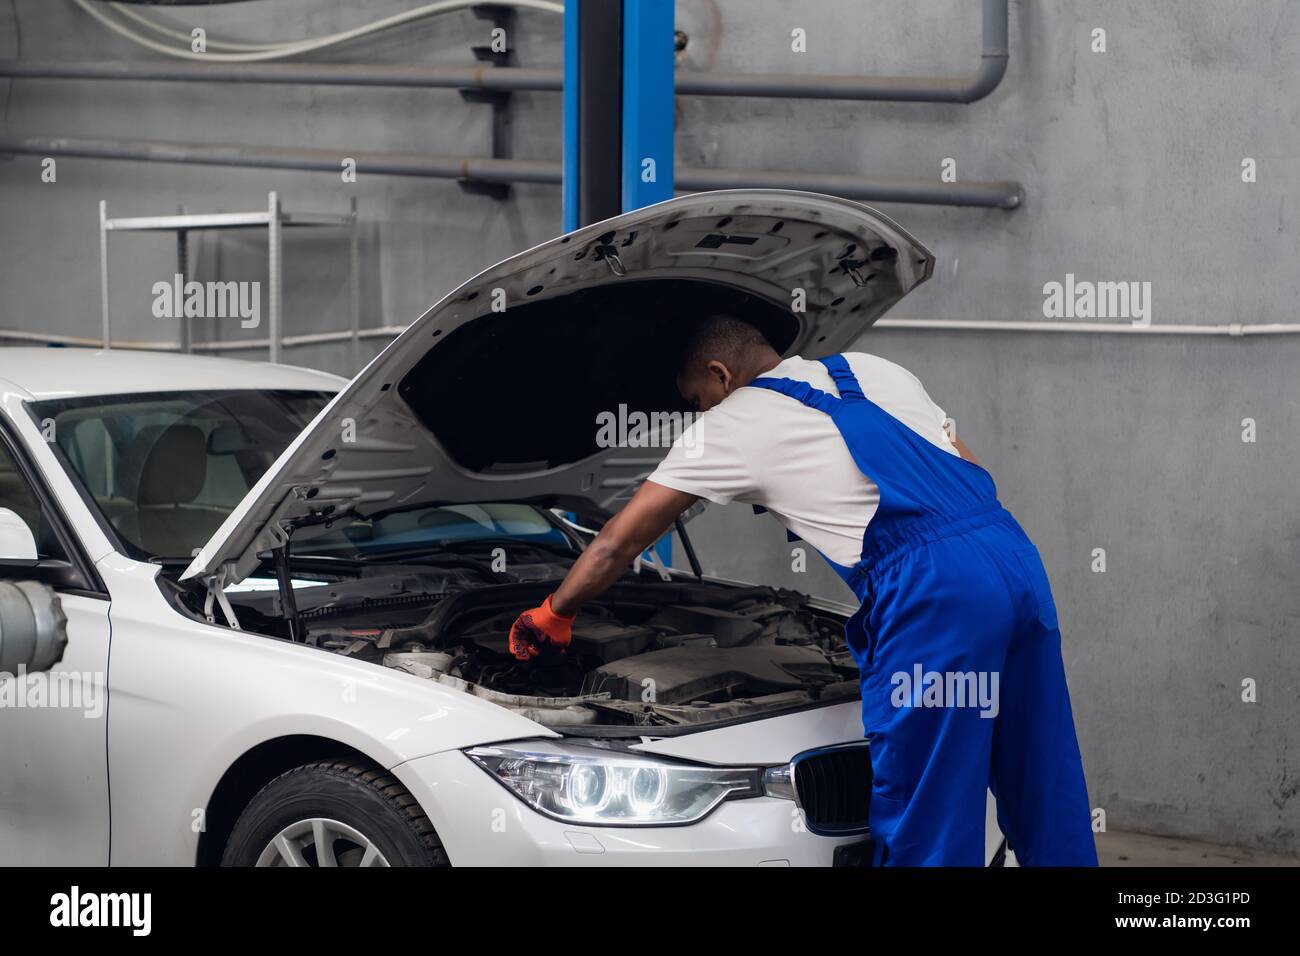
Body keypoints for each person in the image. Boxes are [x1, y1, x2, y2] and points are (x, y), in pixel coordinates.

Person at [508, 315, 1097, 866]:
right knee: (1041, 771)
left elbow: (617, 542)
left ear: (720, 376)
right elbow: (967, 467)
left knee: (929, 802)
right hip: (1011, 555)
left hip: (934, 591)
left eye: (695, 400)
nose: (699, 412)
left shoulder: (731, 424)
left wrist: (554, 612)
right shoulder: (874, 368)